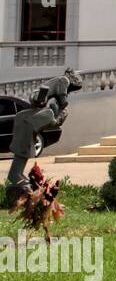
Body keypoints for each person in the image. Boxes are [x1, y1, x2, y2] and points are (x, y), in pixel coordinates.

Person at [5, 67, 82, 206]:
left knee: (21, 162)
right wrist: (62, 111)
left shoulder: (40, 113)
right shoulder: (62, 83)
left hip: (26, 134)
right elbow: (62, 100)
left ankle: (21, 180)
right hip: (25, 136)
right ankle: (20, 182)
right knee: (17, 166)